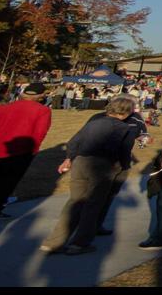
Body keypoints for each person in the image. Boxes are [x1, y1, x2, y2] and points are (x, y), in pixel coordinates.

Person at [38, 95, 141, 256]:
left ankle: (54, 242)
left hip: (80, 162)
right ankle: (80, 243)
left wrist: (70, 158)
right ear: (127, 113)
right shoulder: (124, 129)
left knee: (75, 201)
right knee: (93, 204)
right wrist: (123, 166)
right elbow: (124, 151)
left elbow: (73, 142)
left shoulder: (93, 123)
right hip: (102, 165)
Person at [0, 83, 54, 223]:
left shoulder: (5, 107)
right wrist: (34, 150)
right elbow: (39, 132)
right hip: (20, 151)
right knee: (7, 182)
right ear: (40, 96)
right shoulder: (42, 110)